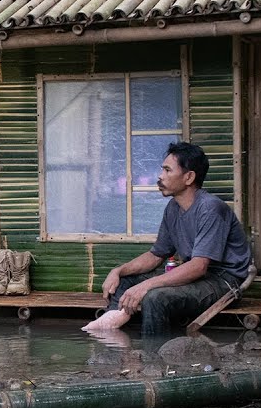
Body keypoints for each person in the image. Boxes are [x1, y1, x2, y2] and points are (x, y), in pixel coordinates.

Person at [83, 141, 252, 335]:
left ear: (188, 177)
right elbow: (156, 255)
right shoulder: (173, 208)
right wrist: (118, 270)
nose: (160, 176)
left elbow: (199, 266)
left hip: (222, 281)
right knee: (124, 282)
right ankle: (112, 338)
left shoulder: (211, 208)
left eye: (167, 170)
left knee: (155, 297)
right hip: (197, 276)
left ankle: (155, 358)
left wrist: (145, 286)